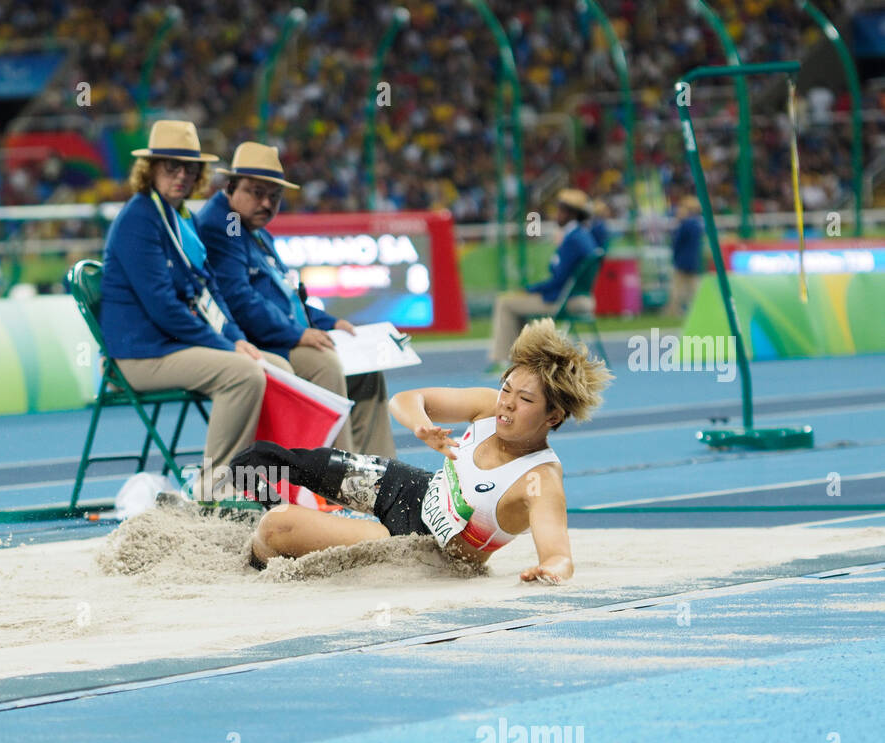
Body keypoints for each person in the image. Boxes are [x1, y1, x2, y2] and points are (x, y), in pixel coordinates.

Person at [232, 318, 613, 584]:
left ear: (554, 416)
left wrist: (550, 570)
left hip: (420, 548)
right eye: (506, 389)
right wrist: (420, 425)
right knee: (285, 460)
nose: (507, 405)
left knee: (276, 526)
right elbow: (407, 398)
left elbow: (558, 552)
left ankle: (258, 562)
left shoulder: (538, 481)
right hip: (411, 489)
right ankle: (229, 507)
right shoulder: (487, 404)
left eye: (525, 399)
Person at [100, 120, 294, 499]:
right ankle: (217, 490)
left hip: (171, 346)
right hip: (140, 354)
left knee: (277, 368)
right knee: (242, 374)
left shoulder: (181, 218)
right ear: (151, 169)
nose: (182, 176)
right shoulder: (140, 218)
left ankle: (269, 479)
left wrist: (237, 338)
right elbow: (164, 309)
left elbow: (210, 292)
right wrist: (228, 348)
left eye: (189, 168)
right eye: (171, 167)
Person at [196, 142, 396, 457]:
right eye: (256, 192)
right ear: (231, 187)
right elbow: (238, 301)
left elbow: (287, 297)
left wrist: (328, 323)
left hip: (276, 337)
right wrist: (298, 334)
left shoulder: (257, 230)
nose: (265, 203)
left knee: (365, 370)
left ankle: (379, 472)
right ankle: (338, 481)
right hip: (252, 343)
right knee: (324, 363)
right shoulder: (221, 227)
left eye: (274, 196)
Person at [487, 189, 597, 370]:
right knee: (516, 304)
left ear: (571, 213)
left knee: (505, 303)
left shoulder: (574, 239)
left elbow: (558, 281)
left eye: (560, 210)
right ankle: (523, 358)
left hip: (568, 300)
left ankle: (502, 361)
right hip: (580, 297)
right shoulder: (583, 236)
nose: (556, 215)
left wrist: (529, 290)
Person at [668, 200, 705, 318]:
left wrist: (675, 256)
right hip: (694, 260)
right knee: (694, 287)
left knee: (678, 287)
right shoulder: (699, 224)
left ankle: (675, 309)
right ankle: (698, 308)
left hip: (682, 260)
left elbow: (677, 242)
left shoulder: (686, 224)